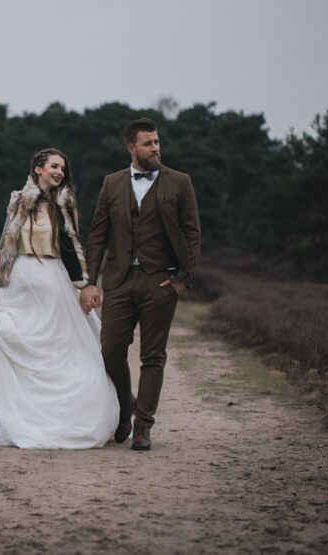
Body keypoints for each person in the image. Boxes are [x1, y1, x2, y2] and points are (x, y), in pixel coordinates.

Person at [0, 148, 119, 449]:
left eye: (63, 168)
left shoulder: (65, 205)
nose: (59, 172)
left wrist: (85, 285)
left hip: (52, 283)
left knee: (58, 348)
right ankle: (11, 406)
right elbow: (3, 248)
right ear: (38, 168)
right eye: (54, 166)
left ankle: (62, 414)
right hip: (16, 283)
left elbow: (73, 250)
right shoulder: (18, 200)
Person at [80, 117, 201, 451]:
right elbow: (98, 236)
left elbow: (192, 233)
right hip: (118, 280)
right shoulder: (111, 184)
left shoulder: (180, 182)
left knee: (153, 355)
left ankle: (143, 426)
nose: (155, 148)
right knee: (110, 351)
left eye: (157, 142)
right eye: (148, 143)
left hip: (160, 282)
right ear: (131, 147)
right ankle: (124, 407)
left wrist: (181, 281)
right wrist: (90, 281)